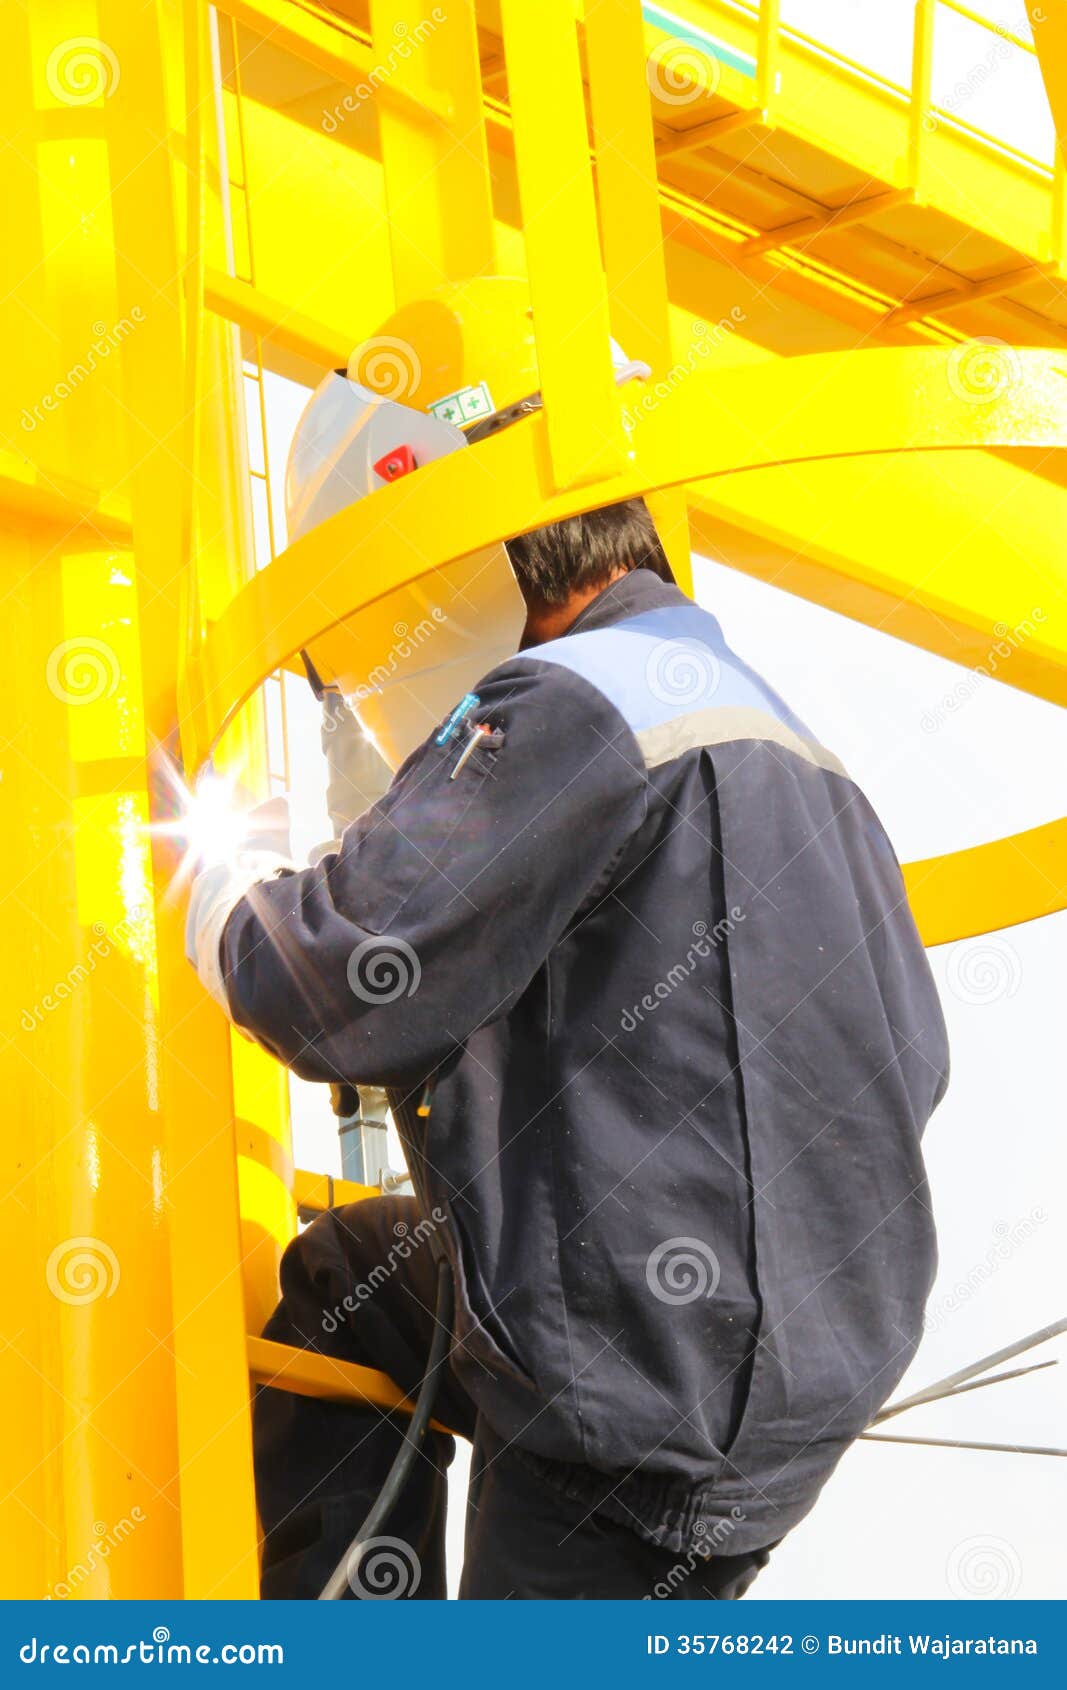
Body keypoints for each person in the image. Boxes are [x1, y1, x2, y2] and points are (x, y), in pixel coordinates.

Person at [186, 303, 949, 1599]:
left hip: (645, 1393)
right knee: (349, 1281)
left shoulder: (574, 702)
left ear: (438, 537)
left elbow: (333, 986)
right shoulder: (776, 741)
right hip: (780, 1348)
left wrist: (206, 882)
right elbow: (906, 1058)